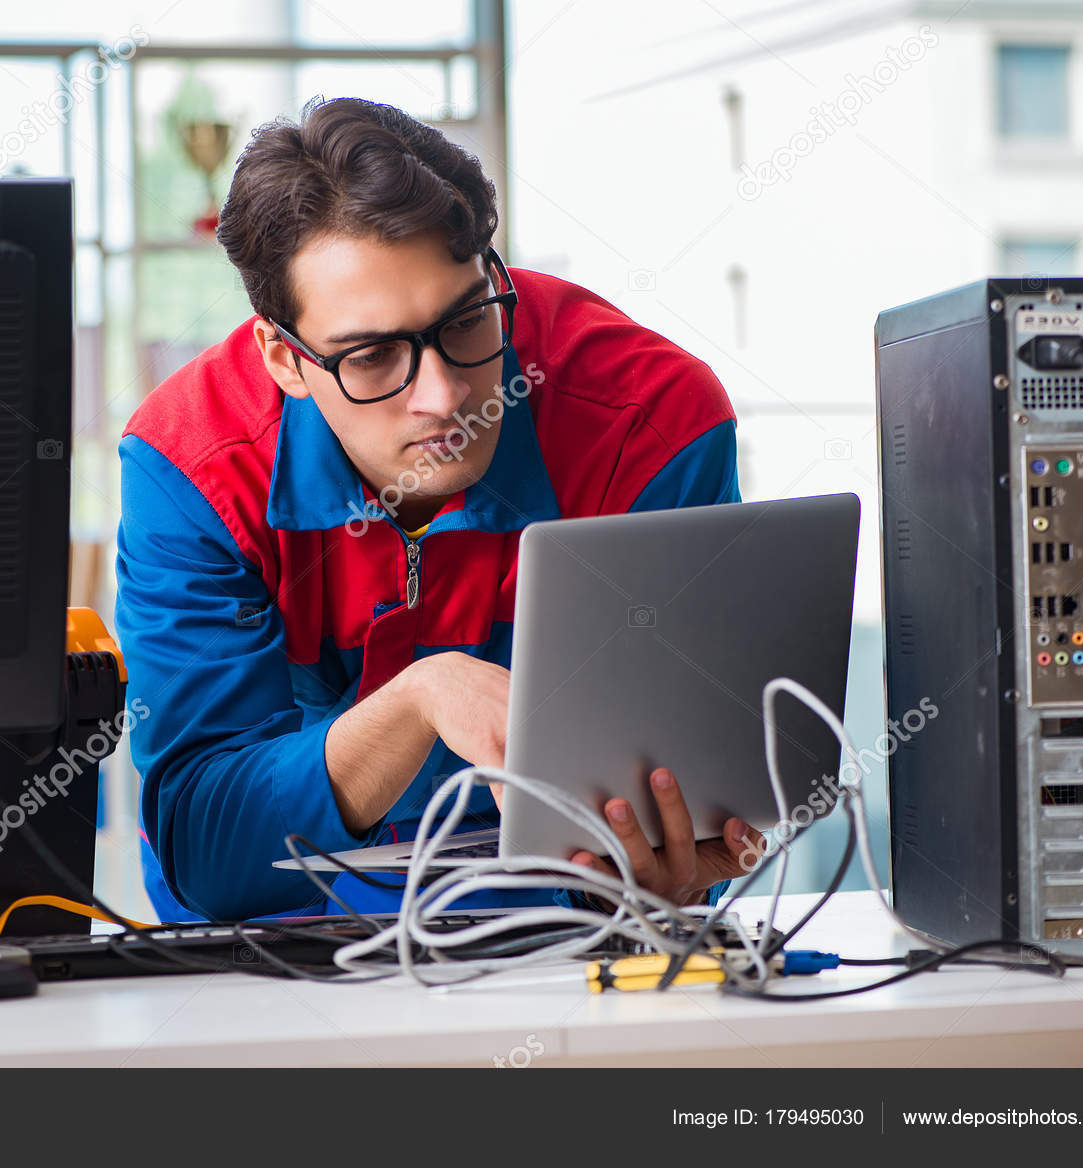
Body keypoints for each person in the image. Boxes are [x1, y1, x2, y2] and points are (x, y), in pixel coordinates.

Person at [116, 96, 762, 922]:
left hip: (558, 930)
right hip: (282, 952)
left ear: (493, 275)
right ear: (283, 356)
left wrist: (679, 862)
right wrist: (418, 701)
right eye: (373, 354)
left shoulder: (649, 420)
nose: (445, 395)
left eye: (464, 321)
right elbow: (205, 848)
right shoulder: (192, 466)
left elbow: (703, 799)